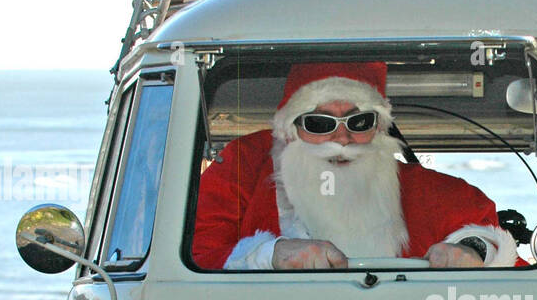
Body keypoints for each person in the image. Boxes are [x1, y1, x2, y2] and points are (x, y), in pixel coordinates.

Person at [192, 62, 517, 270]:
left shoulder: (435, 195)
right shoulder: (243, 173)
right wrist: (270, 255)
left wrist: (473, 249)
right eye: (320, 124)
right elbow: (188, 261)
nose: (342, 138)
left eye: (359, 121)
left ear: (378, 127)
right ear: (291, 130)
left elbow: (512, 266)